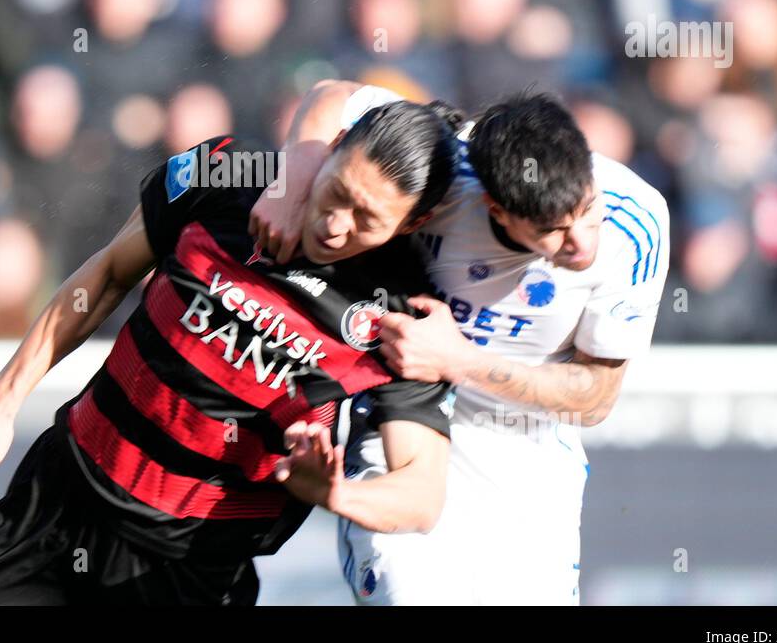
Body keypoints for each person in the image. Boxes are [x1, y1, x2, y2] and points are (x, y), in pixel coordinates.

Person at [0, 100, 461, 606]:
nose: (335, 225)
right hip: (61, 498)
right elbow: (106, 275)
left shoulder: (406, 313)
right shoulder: (231, 173)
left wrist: (335, 492)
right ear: (335, 143)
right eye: (337, 190)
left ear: (410, 224)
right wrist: (0, 402)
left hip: (189, 567)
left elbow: (422, 493)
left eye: (367, 220)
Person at [249, 80, 671, 605]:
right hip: (401, 430)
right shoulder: (446, 165)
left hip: (528, 455)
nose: (583, 242)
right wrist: (291, 184)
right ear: (496, 209)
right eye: (554, 232)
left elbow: (595, 398)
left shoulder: (638, 219)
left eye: (587, 210)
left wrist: (461, 360)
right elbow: (330, 96)